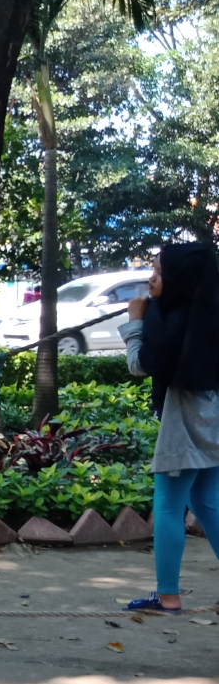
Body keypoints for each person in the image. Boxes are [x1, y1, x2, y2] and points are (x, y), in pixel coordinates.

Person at [121, 243, 219, 613]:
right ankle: (167, 592)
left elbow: (141, 364)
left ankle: (167, 595)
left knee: (168, 505)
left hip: (186, 418)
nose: (151, 279)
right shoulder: (205, 312)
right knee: (207, 501)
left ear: (178, 279)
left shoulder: (174, 321)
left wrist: (134, 320)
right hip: (214, 416)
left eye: (159, 273)